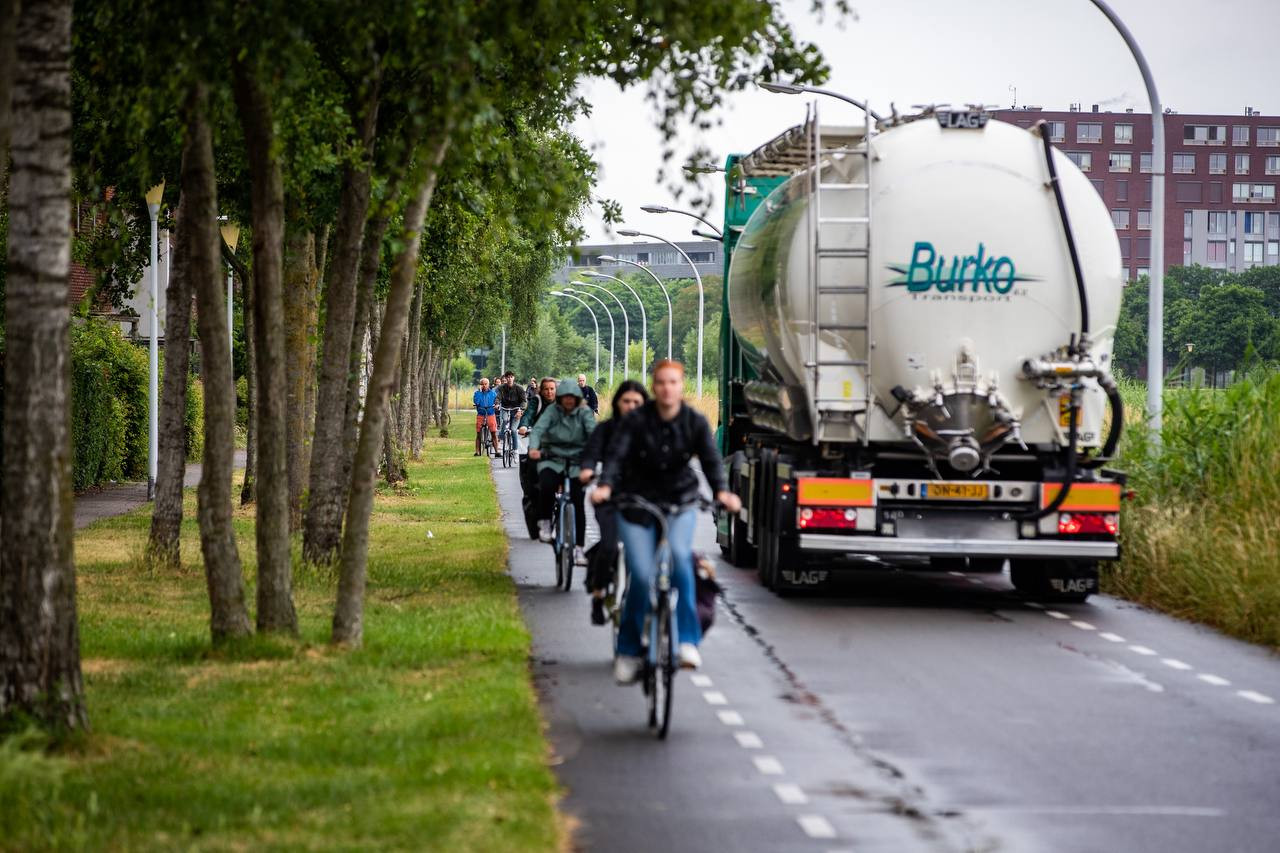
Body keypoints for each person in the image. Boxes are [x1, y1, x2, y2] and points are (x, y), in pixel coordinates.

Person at [592, 359, 742, 682]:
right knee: (642, 574)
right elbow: (616, 456)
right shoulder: (636, 421)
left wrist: (722, 492)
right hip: (636, 504)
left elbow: (711, 460)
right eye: (660, 382)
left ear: (681, 386)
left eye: (673, 382)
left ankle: (687, 641)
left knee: (679, 559)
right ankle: (629, 650)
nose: (666, 388)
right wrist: (605, 486)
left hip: (679, 503)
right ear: (654, 386)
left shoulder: (694, 422)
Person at [579, 380, 649, 625]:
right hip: (609, 496)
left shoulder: (651, 430)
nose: (631, 406)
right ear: (618, 403)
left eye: (637, 402)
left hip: (643, 498)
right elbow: (591, 454)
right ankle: (598, 594)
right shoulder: (606, 429)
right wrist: (588, 470)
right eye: (626, 401)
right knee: (610, 545)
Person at [528, 379, 596, 564]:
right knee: (547, 484)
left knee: (578, 501)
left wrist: (593, 457)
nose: (568, 400)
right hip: (552, 458)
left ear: (577, 397)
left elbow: (594, 436)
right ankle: (545, 522)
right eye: (564, 397)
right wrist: (533, 448)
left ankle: (579, 549)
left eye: (571, 397)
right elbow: (538, 430)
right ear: (559, 398)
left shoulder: (584, 412)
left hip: (576, 462)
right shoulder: (552, 411)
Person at [518, 377, 559, 536]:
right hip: (539, 447)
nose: (549, 392)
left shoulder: (563, 402)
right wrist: (523, 425)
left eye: (552, 389)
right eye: (546, 389)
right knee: (534, 483)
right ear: (541, 390)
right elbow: (528, 415)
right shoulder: (537, 401)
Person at [496, 370, 526, 454]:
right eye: (508, 377)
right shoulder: (501, 388)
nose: (509, 379)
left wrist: (521, 410)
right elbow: (498, 397)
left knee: (513, 430)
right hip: (505, 408)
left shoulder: (519, 388)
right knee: (504, 420)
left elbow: (524, 401)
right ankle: (501, 438)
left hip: (516, 410)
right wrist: (497, 403)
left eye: (511, 377)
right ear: (505, 378)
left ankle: (515, 450)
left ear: (514, 378)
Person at [473, 377, 498, 456]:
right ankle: (477, 451)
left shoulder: (493, 393)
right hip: (481, 414)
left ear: (488, 384)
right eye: (482, 384)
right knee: (478, 433)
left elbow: (496, 401)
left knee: (493, 432)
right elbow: (476, 402)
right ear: (480, 385)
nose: (484, 385)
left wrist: (496, 405)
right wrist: (480, 392)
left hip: (490, 414)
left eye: (485, 384)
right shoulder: (477, 393)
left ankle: (497, 451)